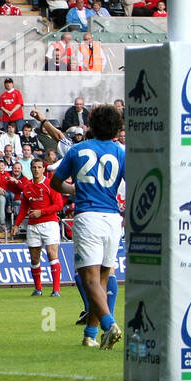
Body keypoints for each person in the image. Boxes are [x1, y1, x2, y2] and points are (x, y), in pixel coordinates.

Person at [50, 104, 125, 349]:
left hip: (88, 216)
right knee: (103, 277)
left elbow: (56, 182)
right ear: (116, 128)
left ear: (90, 125)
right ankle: (90, 335)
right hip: (113, 218)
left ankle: (110, 325)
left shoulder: (78, 149)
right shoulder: (120, 151)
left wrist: (73, 189)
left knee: (88, 279)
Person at [7, 157, 64, 297]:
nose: (36, 170)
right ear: (31, 169)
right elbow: (23, 208)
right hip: (33, 226)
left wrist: (41, 212)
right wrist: (16, 224)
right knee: (34, 258)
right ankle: (38, 288)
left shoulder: (50, 184)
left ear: (44, 169)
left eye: (39, 167)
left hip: (50, 224)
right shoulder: (27, 186)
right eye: (34, 167)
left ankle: (56, 289)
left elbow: (59, 205)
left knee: (52, 254)